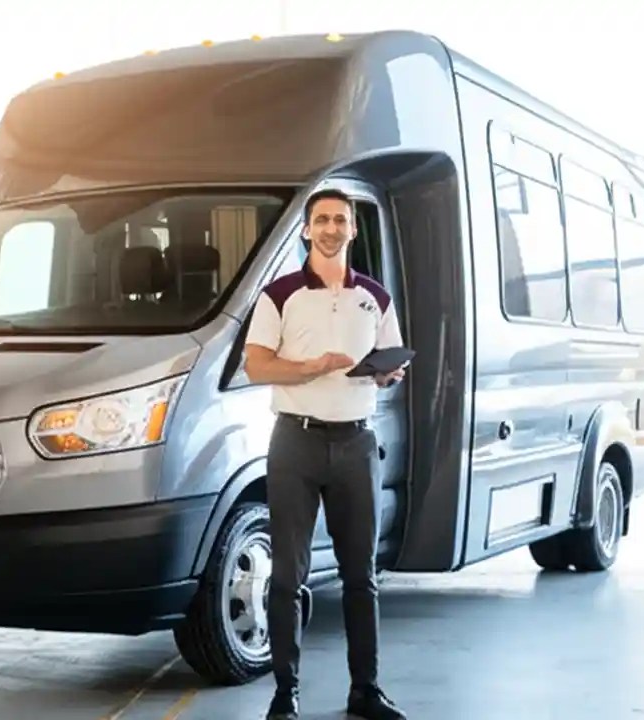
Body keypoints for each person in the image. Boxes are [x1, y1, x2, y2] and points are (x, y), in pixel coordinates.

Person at [244, 188, 408, 720]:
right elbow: (257, 366)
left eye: (341, 219)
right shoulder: (280, 293)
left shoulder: (376, 298)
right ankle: (285, 693)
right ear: (308, 229)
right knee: (288, 575)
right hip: (296, 441)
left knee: (361, 576)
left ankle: (366, 691)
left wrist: (387, 372)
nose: (332, 228)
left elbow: (388, 366)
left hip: (358, 442)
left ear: (354, 230)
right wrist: (312, 367)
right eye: (322, 220)